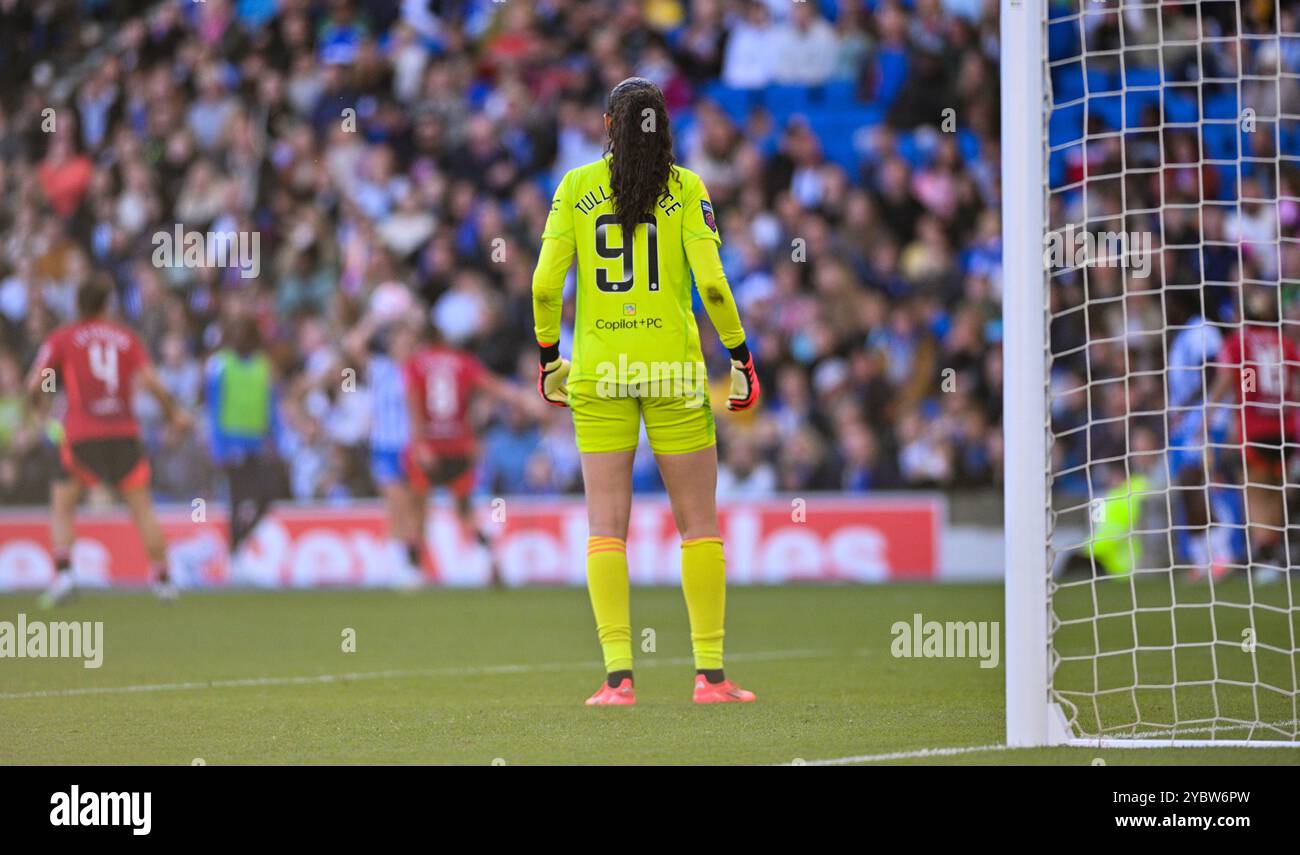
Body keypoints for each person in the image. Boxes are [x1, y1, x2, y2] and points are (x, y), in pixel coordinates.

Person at [531, 77, 762, 706]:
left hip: (600, 374)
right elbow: (712, 285)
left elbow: (545, 285)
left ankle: (617, 679)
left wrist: (550, 355)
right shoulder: (686, 189)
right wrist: (739, 353)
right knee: (699, 528)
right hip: (673, 375)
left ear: (607, 125)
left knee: (606, 527)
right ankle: (710, 677)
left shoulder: (575, 188)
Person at [24, 277, 191, 606]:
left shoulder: (64, 338)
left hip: (81, 434)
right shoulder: (127, 339)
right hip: (123, 432)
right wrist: (174, 415)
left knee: (63, 504)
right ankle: (163, 580)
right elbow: (153, 383)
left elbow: (38, 381)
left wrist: (41, 407)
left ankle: (65, 576)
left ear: (77, 305)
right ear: (107, 304)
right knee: (142, 507)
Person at [403, 322, 537, 587]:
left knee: (418, 510)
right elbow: (494, 386)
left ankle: (416, 572)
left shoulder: (415, 365)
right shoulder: (463, 362)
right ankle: (488, 557)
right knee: (464, 511)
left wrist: (419, 443)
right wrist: (524, 398)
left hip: (429, 446)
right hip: (460, 448)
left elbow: (414, 405)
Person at [1209, 289, 1300, 579]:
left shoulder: (1239, 344)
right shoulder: (1286, 345)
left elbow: (1229, 380)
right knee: (1275, 493)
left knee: (1255, 493)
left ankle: (1267, 555)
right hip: (1285, 429)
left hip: (1255, 428)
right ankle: (1274, 555)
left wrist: (1208, 414)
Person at [204, 316, 282, 579]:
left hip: (258, 442)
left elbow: (272, 405)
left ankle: (239, 547)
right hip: (232, 442)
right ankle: (235, 556)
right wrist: (218, 446)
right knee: (238, 500)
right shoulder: (220, 365)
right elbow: (213, 407)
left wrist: (276, 440)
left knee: (268, 493)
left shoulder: (263, 365)